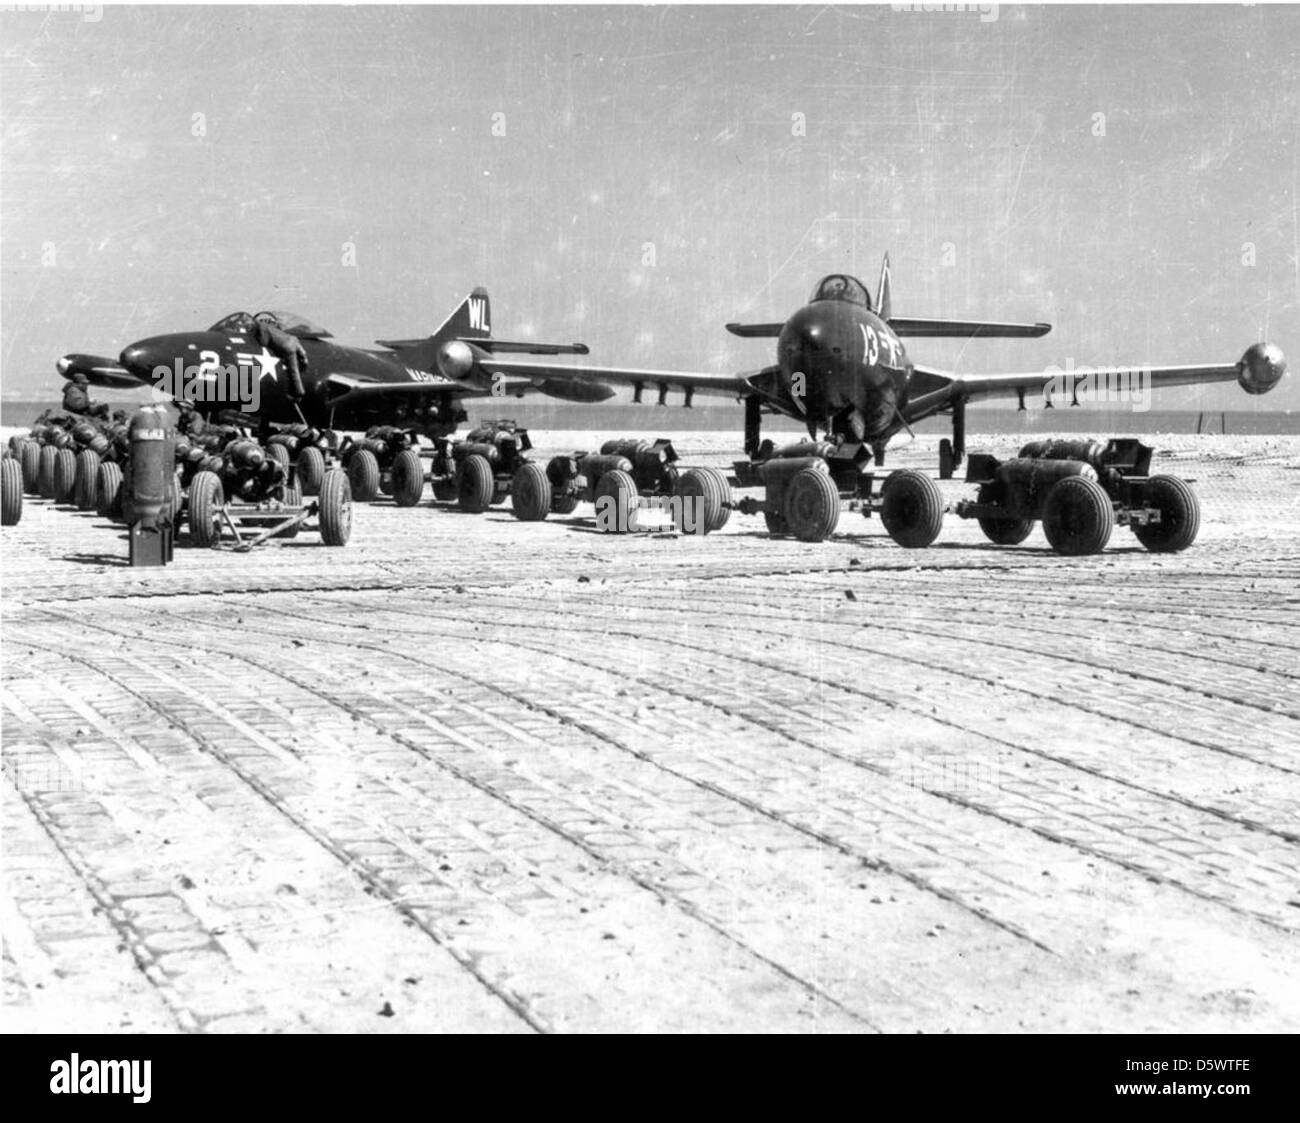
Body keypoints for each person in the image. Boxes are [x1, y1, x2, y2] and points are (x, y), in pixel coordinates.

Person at [251, 312, 309, 402]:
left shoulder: (262, 326)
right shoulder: (289, 335)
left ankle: (299, 392)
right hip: (290, 346)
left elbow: (264, 342)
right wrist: (304, 359)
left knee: (292, 371)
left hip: (286, 348)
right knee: (293, 370)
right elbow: (302, 351)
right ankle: (297, 392)